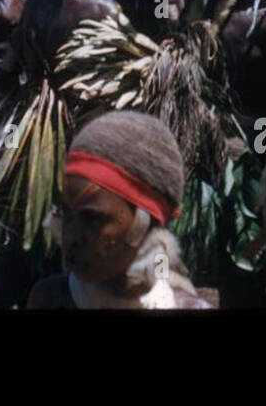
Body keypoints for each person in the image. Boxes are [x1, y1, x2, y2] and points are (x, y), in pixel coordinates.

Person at [28, 111, 209, 309]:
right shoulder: (50, 300)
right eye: (65, 214)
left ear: (147, 224)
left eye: (93, 219)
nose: (71, 236)